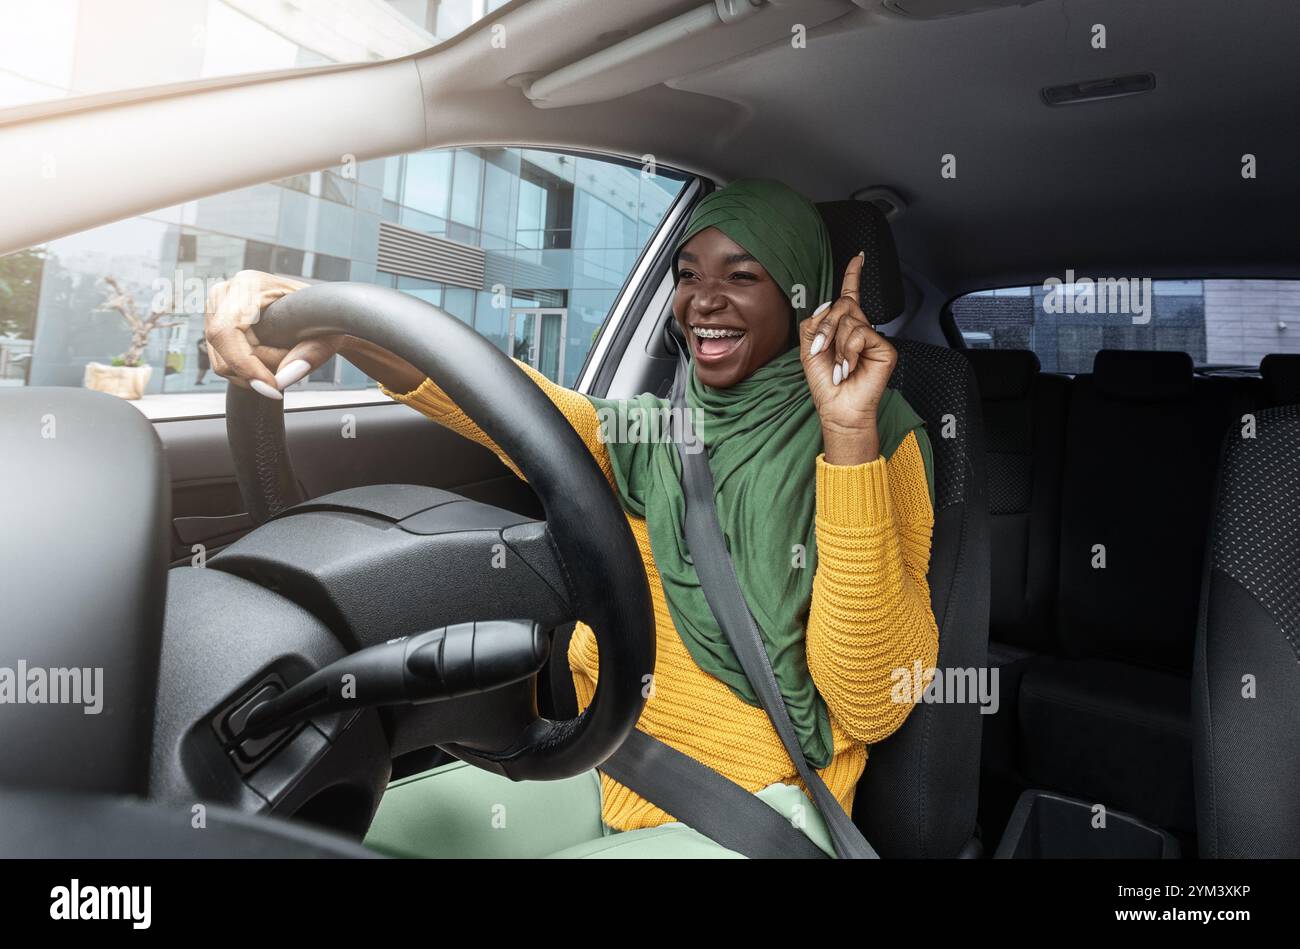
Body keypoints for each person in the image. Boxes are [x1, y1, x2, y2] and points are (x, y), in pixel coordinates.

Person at [204, 179, 939, 858]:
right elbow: (514, 410)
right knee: (321, 842)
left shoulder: (881, 436)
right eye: (687, 275)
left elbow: (873, 700)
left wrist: (848, 436)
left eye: (742, 275)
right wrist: (337, 317)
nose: (702, 301)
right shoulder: (656, 432)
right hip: (607, 760)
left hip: (758, 812)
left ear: (800, 294)